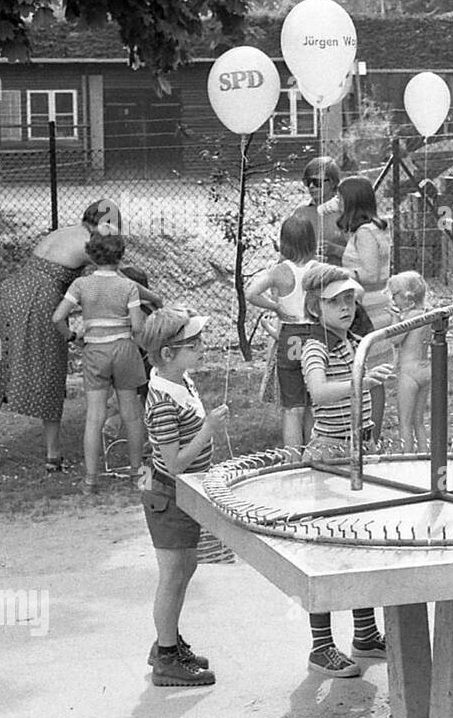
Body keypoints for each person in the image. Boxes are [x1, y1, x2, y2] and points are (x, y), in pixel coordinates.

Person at [0, 199, 125, 475]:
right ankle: (53, 457)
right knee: (51, 371)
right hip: (41, 302)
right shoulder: (92, 243)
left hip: (12, 296)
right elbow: (116, 279)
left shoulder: (64, 232)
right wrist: (151, 298)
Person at [297, 265, 395, 676]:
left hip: (356, 453)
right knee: (329, 551)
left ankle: (365, 634)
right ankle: (321, 646)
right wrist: (361, 379)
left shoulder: (352, 342)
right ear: (314, 306)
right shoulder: (315, 347)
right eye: (334, 301)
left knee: (361, 546)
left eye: (350, 300)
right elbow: (318, 392)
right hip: (328, 456)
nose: (345, 307)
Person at [138, 307, 229, 686]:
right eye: (192, 344)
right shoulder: (161, 401)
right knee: (173, 575)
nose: (201, 348)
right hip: (169, 494)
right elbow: (174, 463)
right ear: (166, 354)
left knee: (186, 567)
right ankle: (166, 657)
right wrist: (208, 429)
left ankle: (168, 643)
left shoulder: (181, 379)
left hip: (184, 495)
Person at [51, 232, 148, 494]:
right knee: (132, 415)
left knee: (95, 417)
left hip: (95, 351)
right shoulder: (127, 286)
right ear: (121, 256)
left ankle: (91, 481)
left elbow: (57, 317)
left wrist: (72, 337)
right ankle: (137, 474)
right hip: (124, 350)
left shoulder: (81, 285)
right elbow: (138, 326)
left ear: (92, 255)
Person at [246, 216, 319, 447]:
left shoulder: (279, 271)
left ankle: (293, 461)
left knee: (291, 408)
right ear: (312, 241)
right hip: (315, 336)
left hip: (290, 335)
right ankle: (313, 456)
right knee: (313, 403)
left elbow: (251, 293)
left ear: (284, 242)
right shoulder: (318, 268)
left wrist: (276, 306)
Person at [336, 175, 394, 435]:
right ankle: (367, 432)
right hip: (373, 304)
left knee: (370, 373)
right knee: (370, 371)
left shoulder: (365, 233)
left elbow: (370, 274)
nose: (336, 201)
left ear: (352, 201)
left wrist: (340, 274)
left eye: (340, 197)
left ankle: (372, 434)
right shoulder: (374, 227)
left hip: (368, 308)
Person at [387, 270, 432, 453]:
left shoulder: (409, 318)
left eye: (395, 295)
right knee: (418, 420)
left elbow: (395, 339)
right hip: (425, 368)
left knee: (404, 421)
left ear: (407, 298)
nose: (392, 299)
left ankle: (406, 457)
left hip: (409, 372)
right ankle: (423, 453)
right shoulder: (427, 314)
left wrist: (395, 317)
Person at [290, 156, 343, 263]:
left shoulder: (344, 211)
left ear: (332, 182)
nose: (311, 186)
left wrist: (335, 250)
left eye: (317, 182)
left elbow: (361, 256)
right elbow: (290, 250)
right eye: (307, 181)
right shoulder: (301, 212)